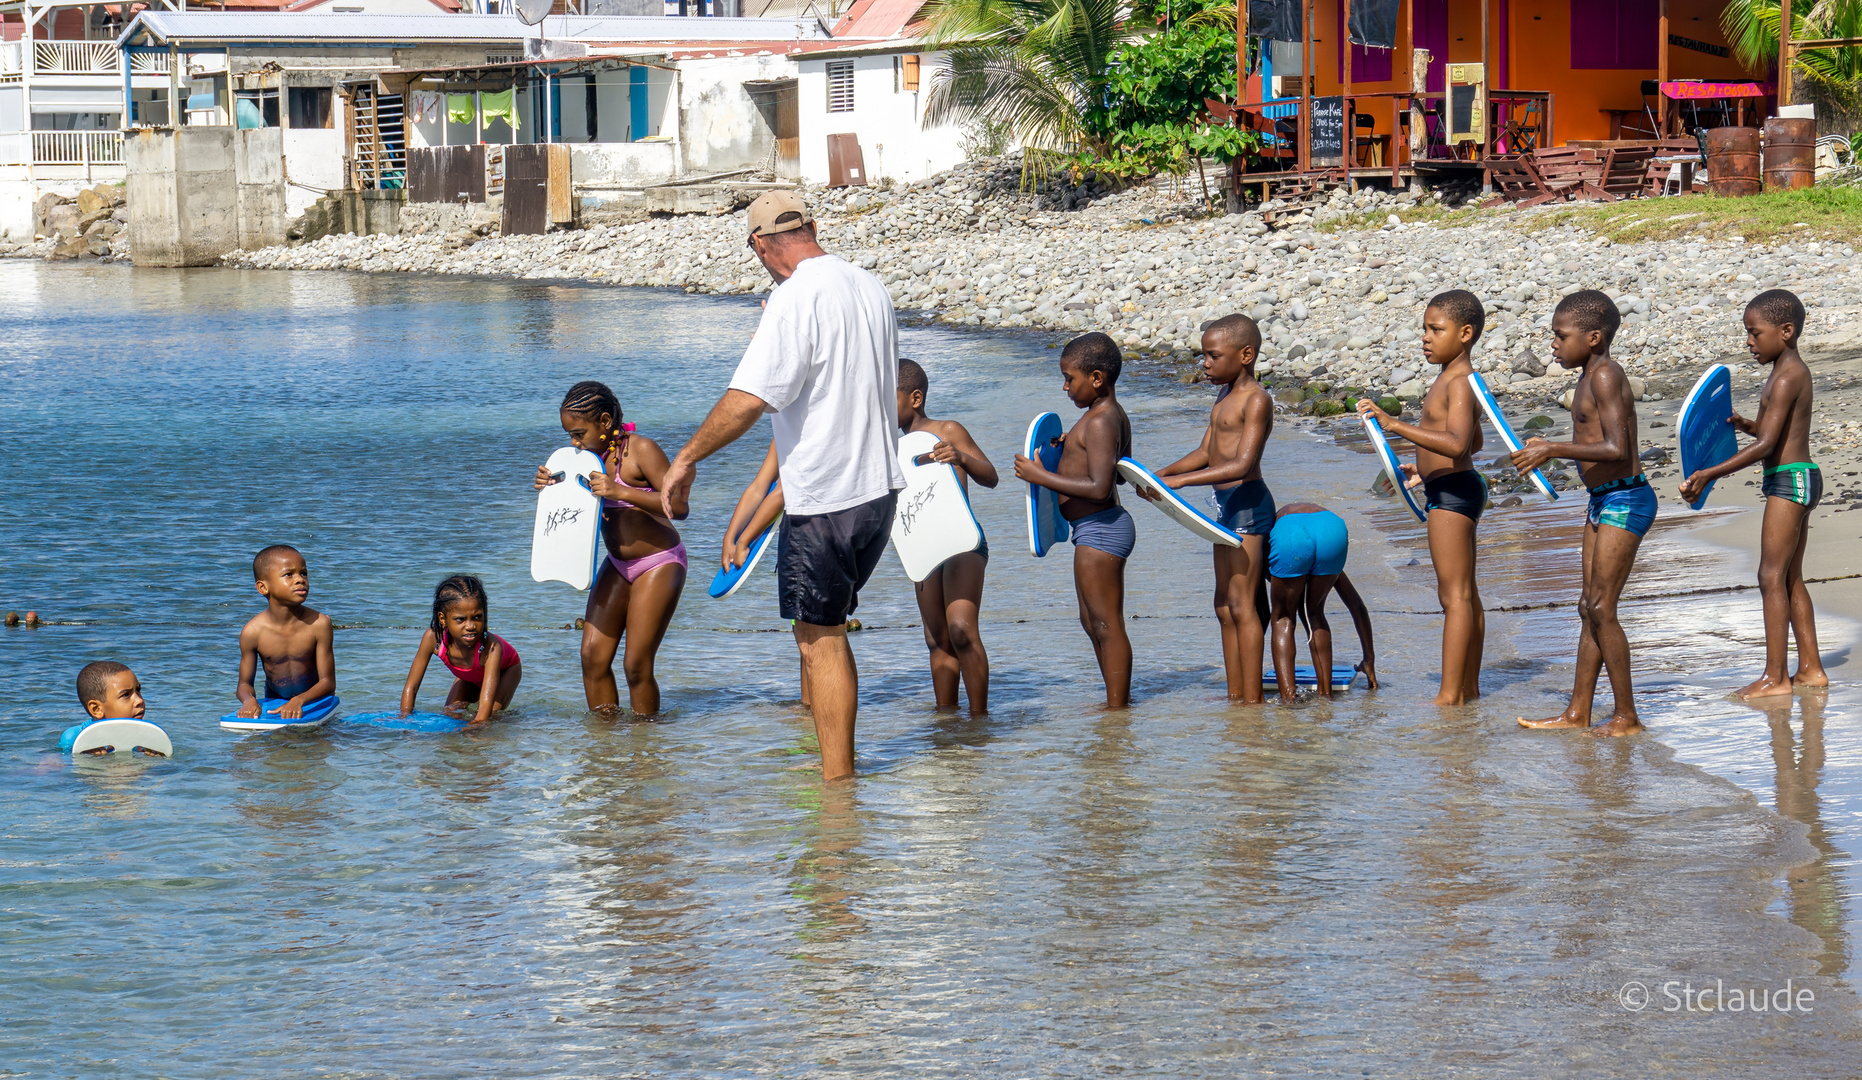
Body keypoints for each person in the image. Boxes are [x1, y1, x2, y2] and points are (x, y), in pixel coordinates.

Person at [658, 190, 904, 781]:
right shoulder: (870, 285)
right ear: (813, 227)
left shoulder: (794, 298)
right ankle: (835, 773)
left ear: (760, 245)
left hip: (827, 498)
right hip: (880, 489)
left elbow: (750, 399)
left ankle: (838, 787)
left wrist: (687, 457)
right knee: (823, 630)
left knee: (821, 639)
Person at [1513, 291, 1653, 736]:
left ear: (1593, 338)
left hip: (1626, 497)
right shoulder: (1589, 374)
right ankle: (1577, 712)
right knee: (1586, 607)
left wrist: (1552, 447)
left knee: (1601, 606)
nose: (1553, 344)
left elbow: (1617, 448)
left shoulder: (1607, 374)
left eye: (1560, 336)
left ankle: (1627, 716)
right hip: (1602, 500)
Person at [1680, 289, 1829, 699]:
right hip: (1796, 476)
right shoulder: (1785, 370)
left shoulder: (1787, 375)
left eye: (1754, 332)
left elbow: (1766, 446)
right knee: (1789, 577)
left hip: (1791, 480)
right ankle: (1811, 669)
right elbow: (1769, 432)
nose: (1748, 341)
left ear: (1786, 331)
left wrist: (1707, 473)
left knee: (1769, 576)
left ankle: (1775, 677)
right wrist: (1745, 424)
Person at [1355, 290, 1488, 706]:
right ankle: (1468, 689)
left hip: (1452, 495)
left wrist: (1394, 424)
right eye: (1424, 330)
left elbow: (1456, 442)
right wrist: (1424, 467)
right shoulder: (1454, 378)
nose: (1426, 338)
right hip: (1451, 485)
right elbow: (1474, 442)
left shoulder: (1458, 381)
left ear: (1465, 334)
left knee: (1454, 597)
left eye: (1436, 329)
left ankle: (1448, 697)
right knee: (1467, 594)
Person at [535, 380, 687, 717]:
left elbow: (678, 506)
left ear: (605, 422)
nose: (573, 443)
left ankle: (646, 748)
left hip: (659, 562)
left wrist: (622, 493)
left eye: (579, 433)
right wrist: (550, 486)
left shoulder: (641, 450)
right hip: (617, 563)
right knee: (592, 656)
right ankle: (605, 748)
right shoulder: (583, 461)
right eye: (569, 435)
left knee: (635, 665)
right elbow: (569, 511)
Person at [1149, 314, 1275, 703]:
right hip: (1224, 507)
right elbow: (1206, 452)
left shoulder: (1257, 399)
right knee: (1223, 606)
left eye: (1212, 356)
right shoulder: (1222, 395)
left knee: (1242, 605)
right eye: (1203, 355)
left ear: (1246, 354)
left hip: (1249, 508)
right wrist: (1157, 475)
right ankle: (1234, 697)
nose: (1204, 363)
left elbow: (1242, 464)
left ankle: (1252, 702)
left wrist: (1181, 483)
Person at [1014, 332, 1135, 708]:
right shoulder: (1105, 417)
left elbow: (1101, 487)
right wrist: (1069, 447)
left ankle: (1118, 710)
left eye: (1070, 378)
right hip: (1095, 528)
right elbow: (1119, 472)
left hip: (1101, 529)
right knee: (1091, 620)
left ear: (1096, 378)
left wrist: (1040, 475)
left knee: (1106, 624)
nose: (1065, 386)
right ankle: (1114, 700)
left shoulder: (1099, 422)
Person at [897, 357, 999, 713]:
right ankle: (946, 723)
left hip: (962, 543)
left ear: (915, 398)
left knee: (960, 629)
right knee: (936, 639)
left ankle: (979, 720)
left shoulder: (948, 430)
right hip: (923, 548)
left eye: (886, 397)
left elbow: (991, 476)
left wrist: (960, 458)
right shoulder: (890, 451)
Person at [1265, 503, 1377, 702]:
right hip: (1331, 528)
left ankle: (1289, 700)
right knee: (1314, 612)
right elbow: (1357, 606)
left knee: (1283, 619)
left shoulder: (1273, 539)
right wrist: (1369, 660)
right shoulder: (1325, 570)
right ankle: (1326, 696)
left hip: (1290, 533)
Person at [397, 574, 522, 724]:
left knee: (490, 717)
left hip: (506, 671)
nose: (470, 626)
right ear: (443, 619)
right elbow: (412, 686)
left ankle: (515, 722)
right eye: (460, 619)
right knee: (450, 714)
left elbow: (484, 709)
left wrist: (475, 727)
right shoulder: (433, 639)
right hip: (470, 676)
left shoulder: (491, 647)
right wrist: (405, 719)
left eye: (477, 617)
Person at [234, 544, 335, 720]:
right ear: (263, 587)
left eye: (303, 573)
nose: (300, 579)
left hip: (315, 704)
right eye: (288, 574)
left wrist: (299, 700)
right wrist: (249, 701)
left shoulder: (319, 624)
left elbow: (328, 682)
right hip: (275, 704)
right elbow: (244, 684)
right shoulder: (252, 632)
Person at [60, 660, 152, 755]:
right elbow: (59, 762)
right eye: (125, 695)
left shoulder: (148, 734)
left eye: (138, 690)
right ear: (97, 709)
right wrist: (86, 757)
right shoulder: (74, 737)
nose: (139, 700)